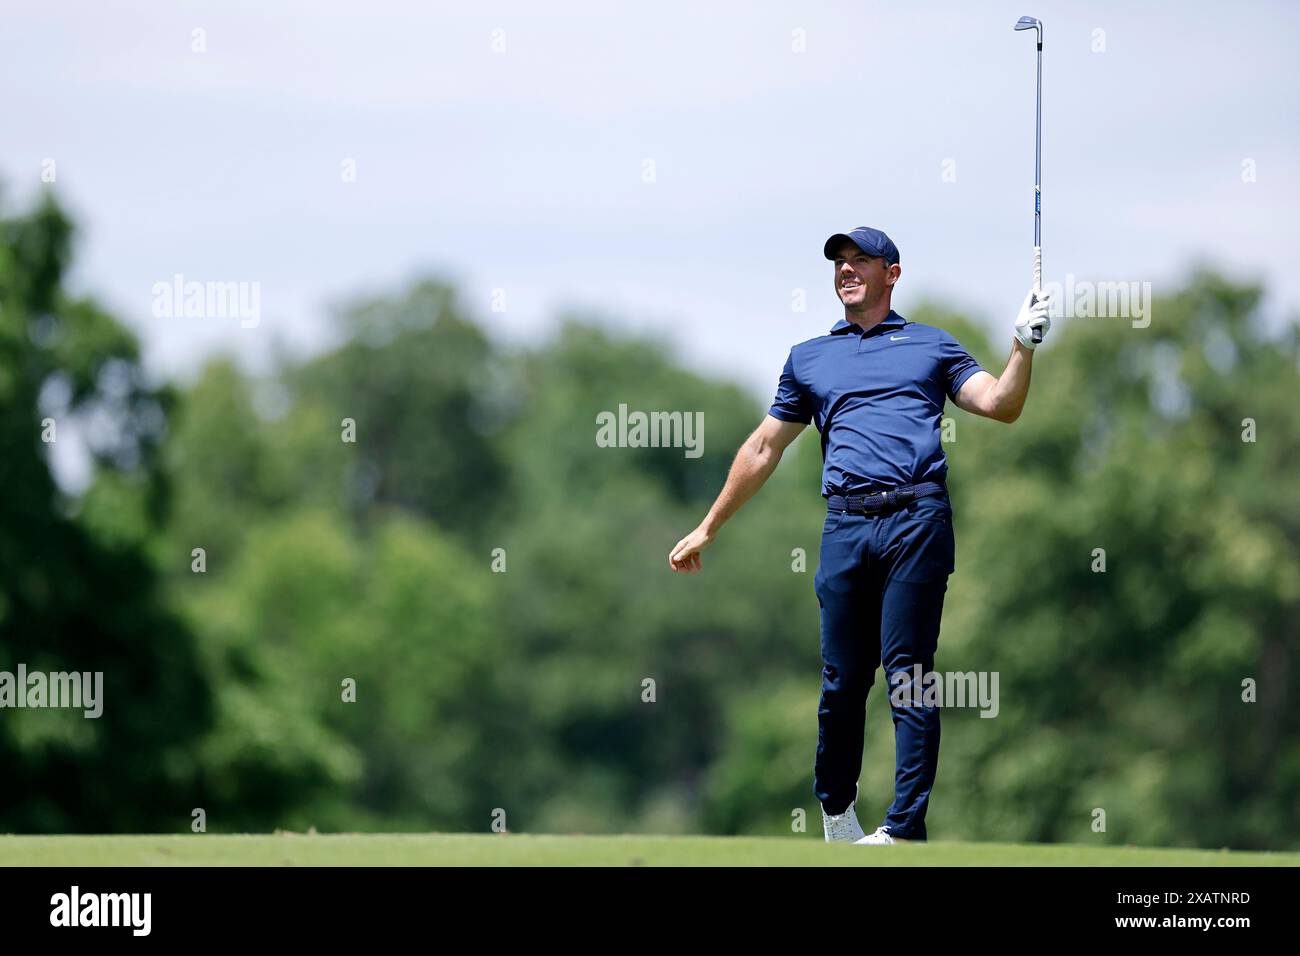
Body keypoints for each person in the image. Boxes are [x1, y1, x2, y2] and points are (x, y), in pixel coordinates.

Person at [667, 226, 1052, 844]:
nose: (846, 270)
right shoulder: (809, 356)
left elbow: (1001, 404)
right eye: (839, 262)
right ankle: (837, 812)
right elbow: (765, 447)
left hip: (917, 518)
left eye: (859, 261)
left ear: (892, 273)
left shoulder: (933, 346)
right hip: (845, 523)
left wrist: (1022, 345)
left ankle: (903, 828)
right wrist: (709, 527)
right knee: (843, 679)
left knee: (910, 673)